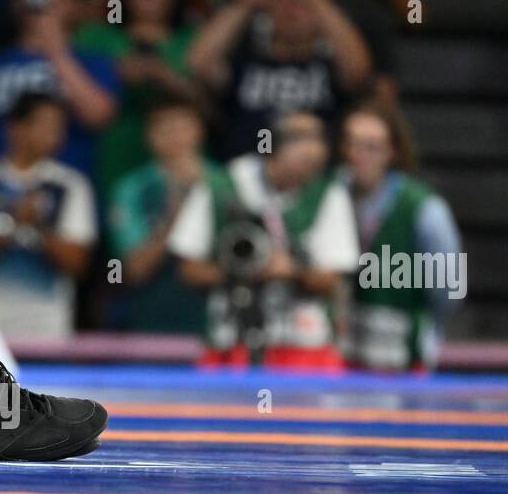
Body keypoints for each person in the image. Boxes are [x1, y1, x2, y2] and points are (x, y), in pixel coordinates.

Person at [167, 109, 359, 367]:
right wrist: (241, 272)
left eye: (319, 139)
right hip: (229, 341)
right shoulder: (221, 186)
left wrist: (292, 271)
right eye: (301, 138)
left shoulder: (328, 193)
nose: (315, 150)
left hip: (303, 344)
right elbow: (189, 269)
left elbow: (332, 277)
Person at [0, 92, 97, 339]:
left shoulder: (72, 185)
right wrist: (10, 225)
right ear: (15, 128)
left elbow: (78, 263)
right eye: (46, 124)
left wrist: (37, 225)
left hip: (47, 324)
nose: (55, 134)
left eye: (59, 126)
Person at [189, 0, 372, 160]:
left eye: (301, 3)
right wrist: (245, 2)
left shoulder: (330, 67)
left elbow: (359, 71)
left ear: (319, 16)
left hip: (315, 178)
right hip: (246, 172)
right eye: (282, 1)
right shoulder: (246, 62)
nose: (291, 9)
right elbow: (199, 64)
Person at [339, 99, 461, 371]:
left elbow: (449, 290)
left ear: (392, 151)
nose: (357, 155)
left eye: (371, 147)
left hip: (403, 355)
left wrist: (427, 328)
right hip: (343, 354)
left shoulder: (425, 209)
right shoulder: (330, 194)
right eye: (351, 143)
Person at [0, 0, 119, 181]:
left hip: (67, 190)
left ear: (73, 4)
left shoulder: (94, 61)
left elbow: (99, 115)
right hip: (1, 188)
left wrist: (56, 50)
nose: (41, 3)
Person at [75, 0, 199, 197]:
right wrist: (115, 74)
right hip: (116, 154)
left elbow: (216, 107)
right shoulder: (99, 37)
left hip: (182, 153)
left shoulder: (193, 39)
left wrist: (169, 79)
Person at [107, 90, 213, 333]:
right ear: (150, 136)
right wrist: (173, 221)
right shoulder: (131, 189)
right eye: (165, 128)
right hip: (149, 321)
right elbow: (133, 270)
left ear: (199, 130)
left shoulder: (227, 183)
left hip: (215, 324)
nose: (175, 136)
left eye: (182, 126)